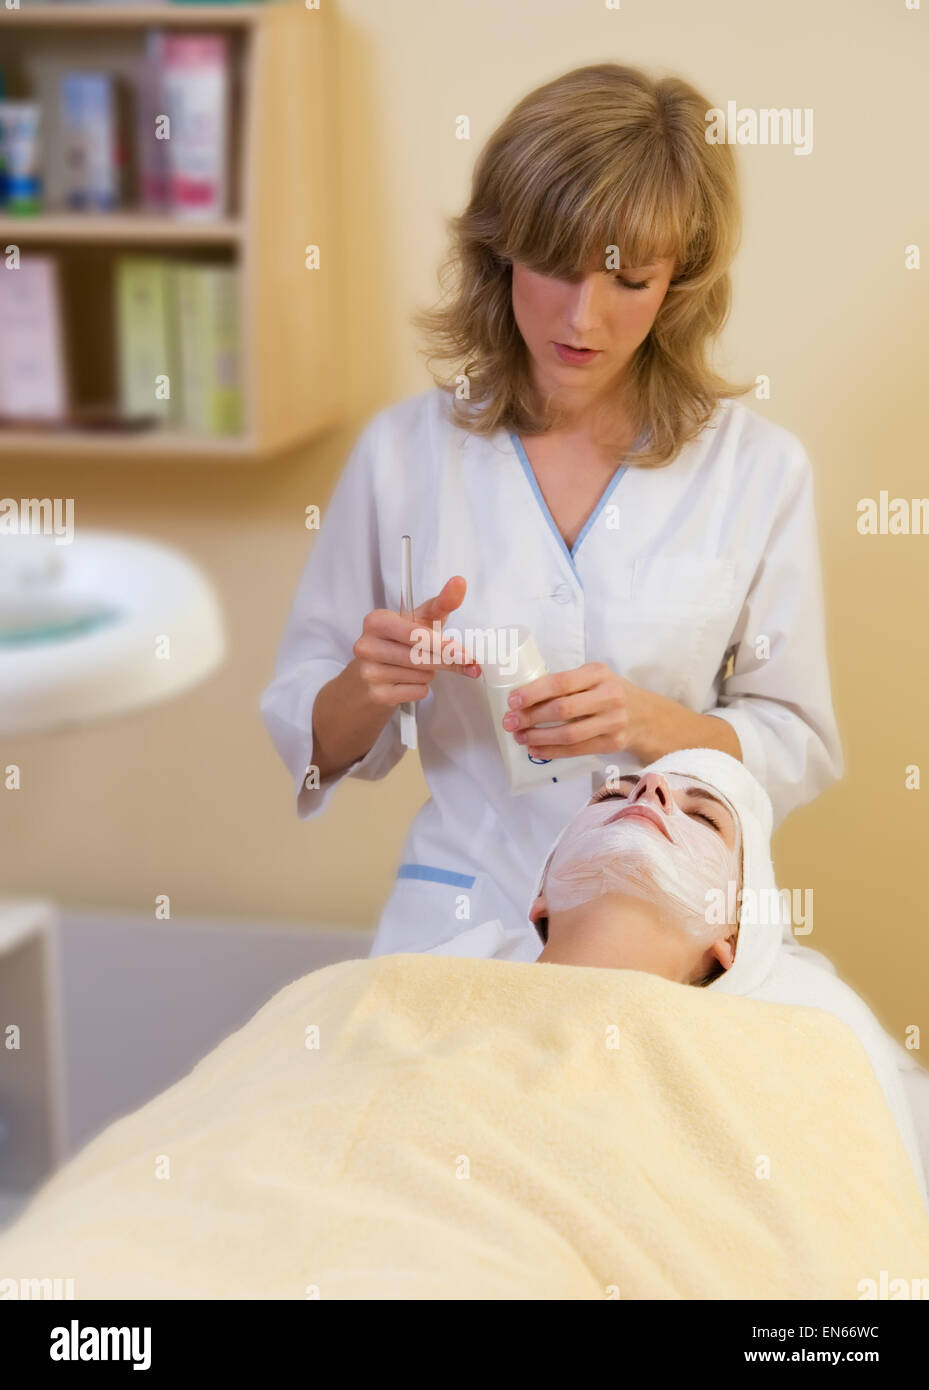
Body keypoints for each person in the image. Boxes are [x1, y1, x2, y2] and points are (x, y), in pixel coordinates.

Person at [260, 62, 843, 962]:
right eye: (553, 269)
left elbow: (798, 743)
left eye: (629, 282)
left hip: (668, 930)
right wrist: (363, 688)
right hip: (461, 921)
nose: (583, 318)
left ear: (679, 281)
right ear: (500, 252)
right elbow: (316, 749)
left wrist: (645, 722)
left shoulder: (757, 469)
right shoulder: (402, 455)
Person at [425, 747, 929, 1207]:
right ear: (541, 896)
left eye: (704, 818)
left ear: (733, 935)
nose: (649, 789)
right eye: (612, 794)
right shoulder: (415, 1003)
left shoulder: (800, 1071)